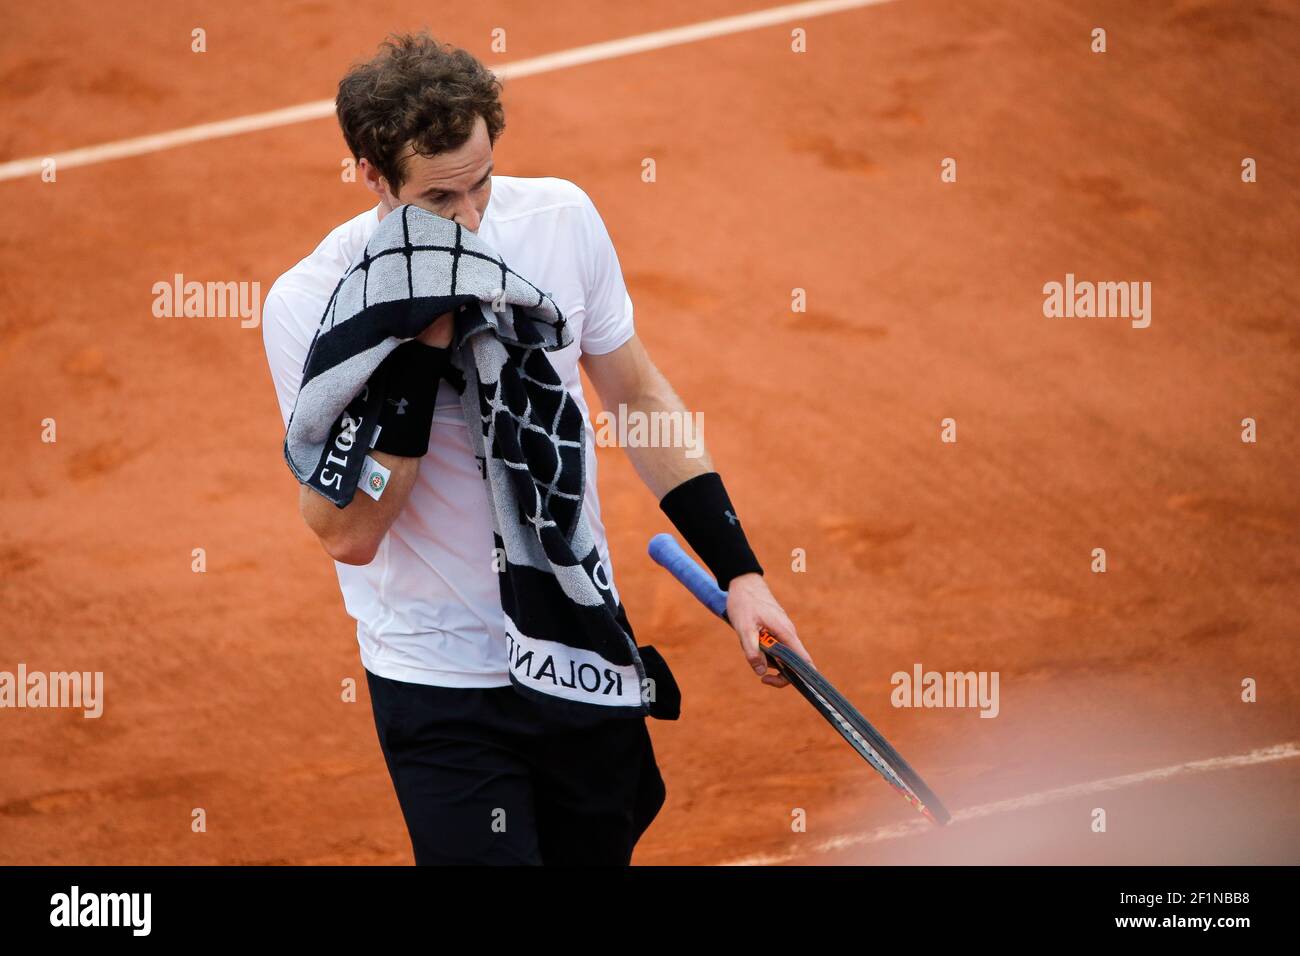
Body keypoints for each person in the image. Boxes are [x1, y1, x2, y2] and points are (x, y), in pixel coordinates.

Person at [261, 31, 812, 865]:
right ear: (372, 176)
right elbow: (347, 532)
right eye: (441, 202)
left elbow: (637, 395)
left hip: (578, 650)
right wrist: (415, 346)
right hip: (439, 682)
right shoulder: (316, 307)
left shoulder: (560, 219)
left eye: (481, 182)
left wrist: (741, 572)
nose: (474, 218)